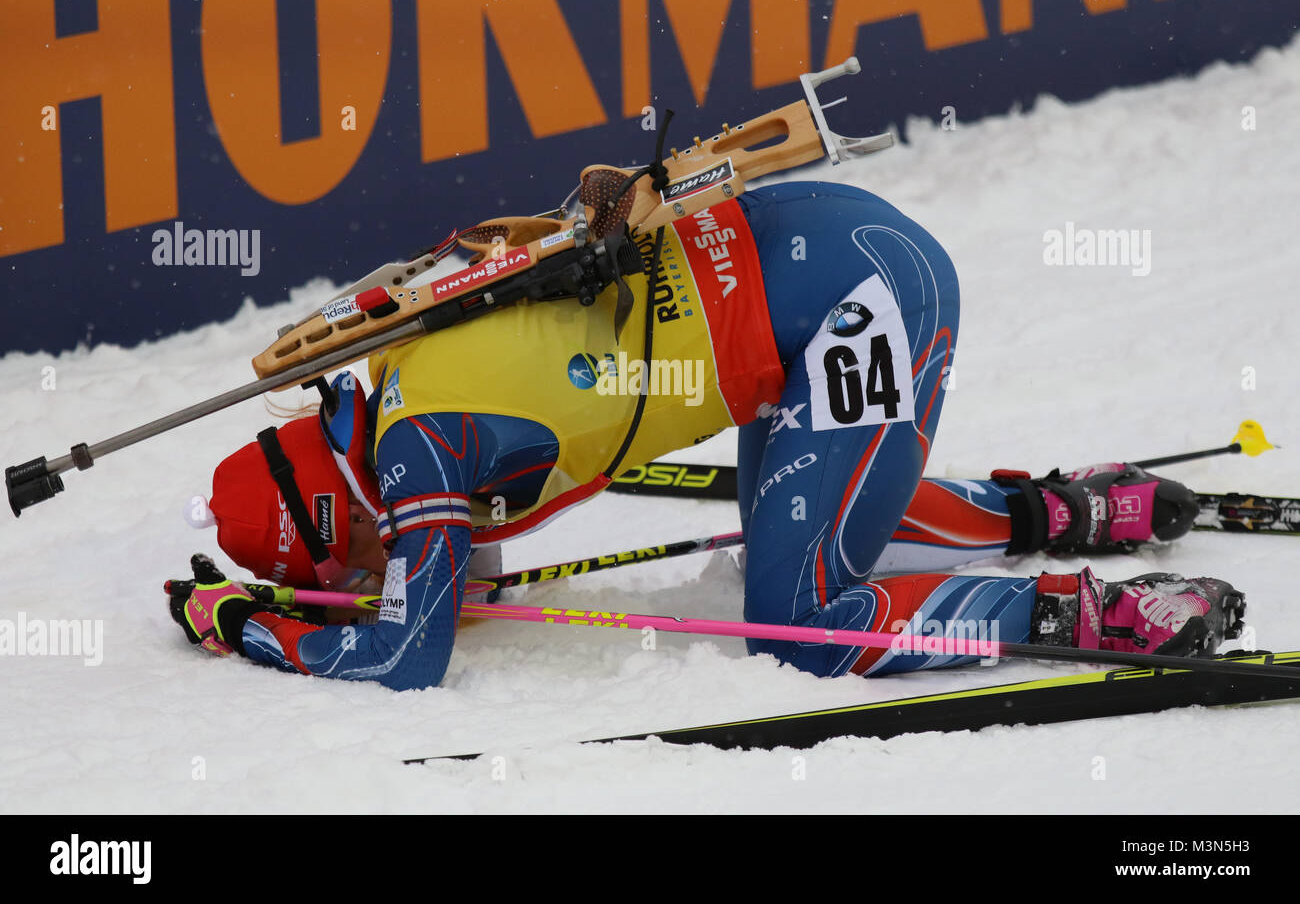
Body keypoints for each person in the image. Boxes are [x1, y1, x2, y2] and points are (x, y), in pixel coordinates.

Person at [171, 182, 1245, 688]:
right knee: (783, 523)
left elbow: (412, 653)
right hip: (814, 265)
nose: (366, 582)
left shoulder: (413, 459)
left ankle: (1089, 614)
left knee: (802, 620)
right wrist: (325, 588)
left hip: (853, 298)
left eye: (342, 571)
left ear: (334, 521)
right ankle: (1064, 508)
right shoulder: (395, 377)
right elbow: (469, 583)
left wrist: (249, 624)